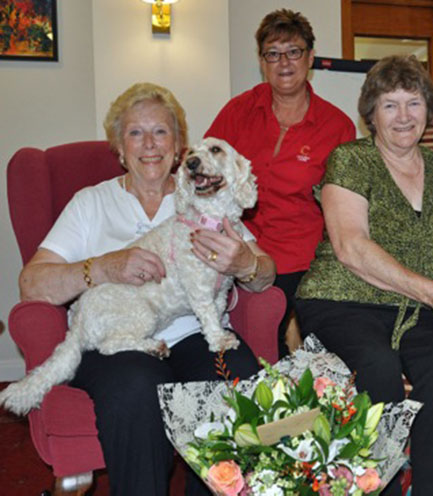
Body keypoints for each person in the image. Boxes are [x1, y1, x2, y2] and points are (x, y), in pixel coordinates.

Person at [18, 82, 276, 496]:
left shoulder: (206, 194)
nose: (150, 144)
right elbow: (31, 283)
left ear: (179, 146)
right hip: (120, 342)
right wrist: (102, 267)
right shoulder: (91, 203)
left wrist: (245, 263)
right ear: (120, 148)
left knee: (240, 381)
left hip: (195, 335)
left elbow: (266, 273)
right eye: (136, 133)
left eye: (161, 132)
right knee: (137, 388)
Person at [295, 55, 433, 496]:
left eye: (414, 103)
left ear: (429, 110)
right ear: (371, 115)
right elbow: (351, 248)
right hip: (344, 299)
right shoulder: (350, 160)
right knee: (377, 370)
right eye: (389, 105)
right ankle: (374, 488)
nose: (404, 116)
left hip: (422, 308)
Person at [206, 9, 355, 358]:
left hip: (304, 258)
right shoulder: (238, 111)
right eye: (273, 53)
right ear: (262, 61)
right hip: (242, 248)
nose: (284, 62)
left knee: (309, 347)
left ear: (311, 58)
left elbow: (345, 206)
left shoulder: (337, 126)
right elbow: (208, 174)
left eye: (294, 51)